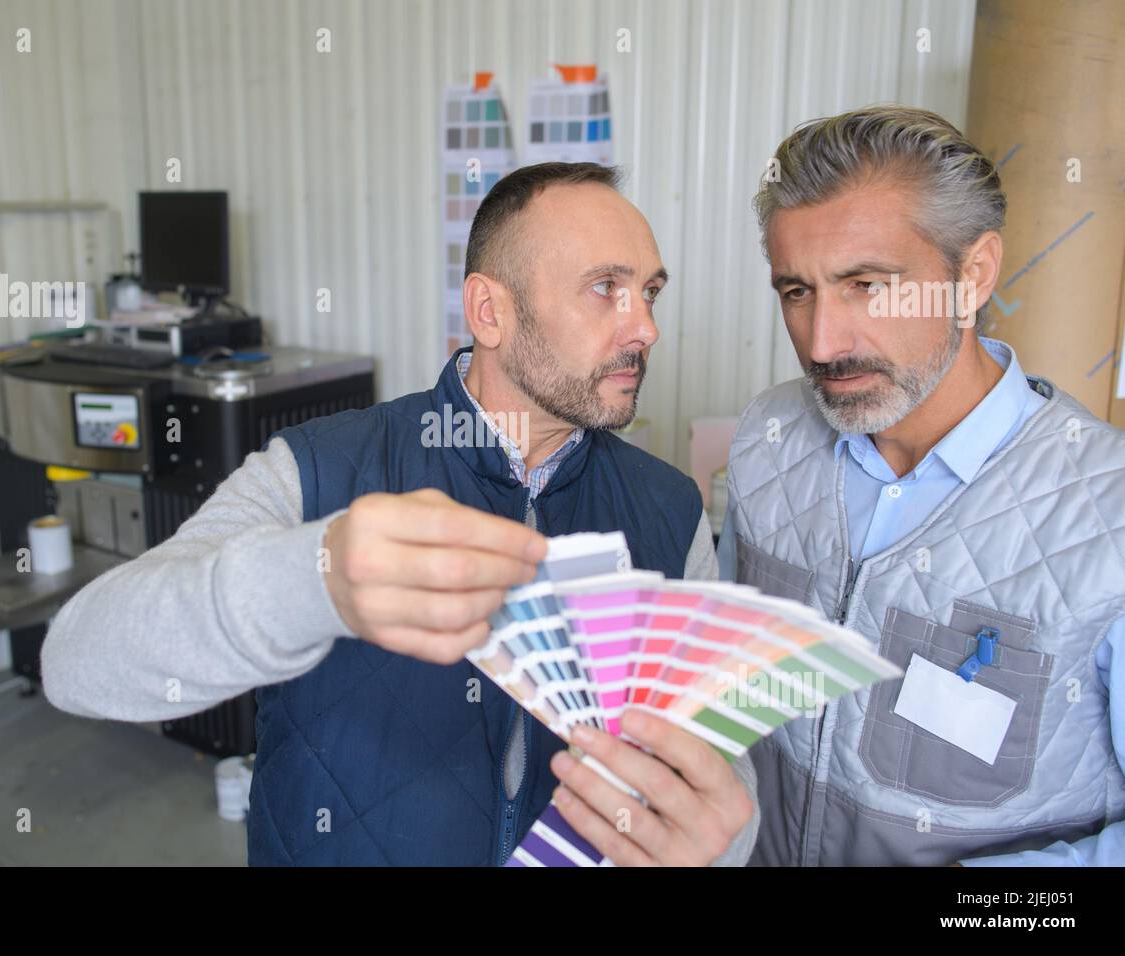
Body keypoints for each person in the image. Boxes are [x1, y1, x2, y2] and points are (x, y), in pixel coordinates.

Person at [44, 161, 759, 866]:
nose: (645, 329)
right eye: (606, 288)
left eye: (649, 293)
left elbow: (720, 778)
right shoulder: (320, 469)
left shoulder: (671, 512)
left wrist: (717, 845)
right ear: (490, 312)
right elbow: (77, 661)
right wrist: (314, 578)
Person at [719, 106, 1124, 865]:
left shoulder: (1107, 519)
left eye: (867, 285)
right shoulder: (767, 441)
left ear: (972, 275)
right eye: (796, 291)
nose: (823, 343)